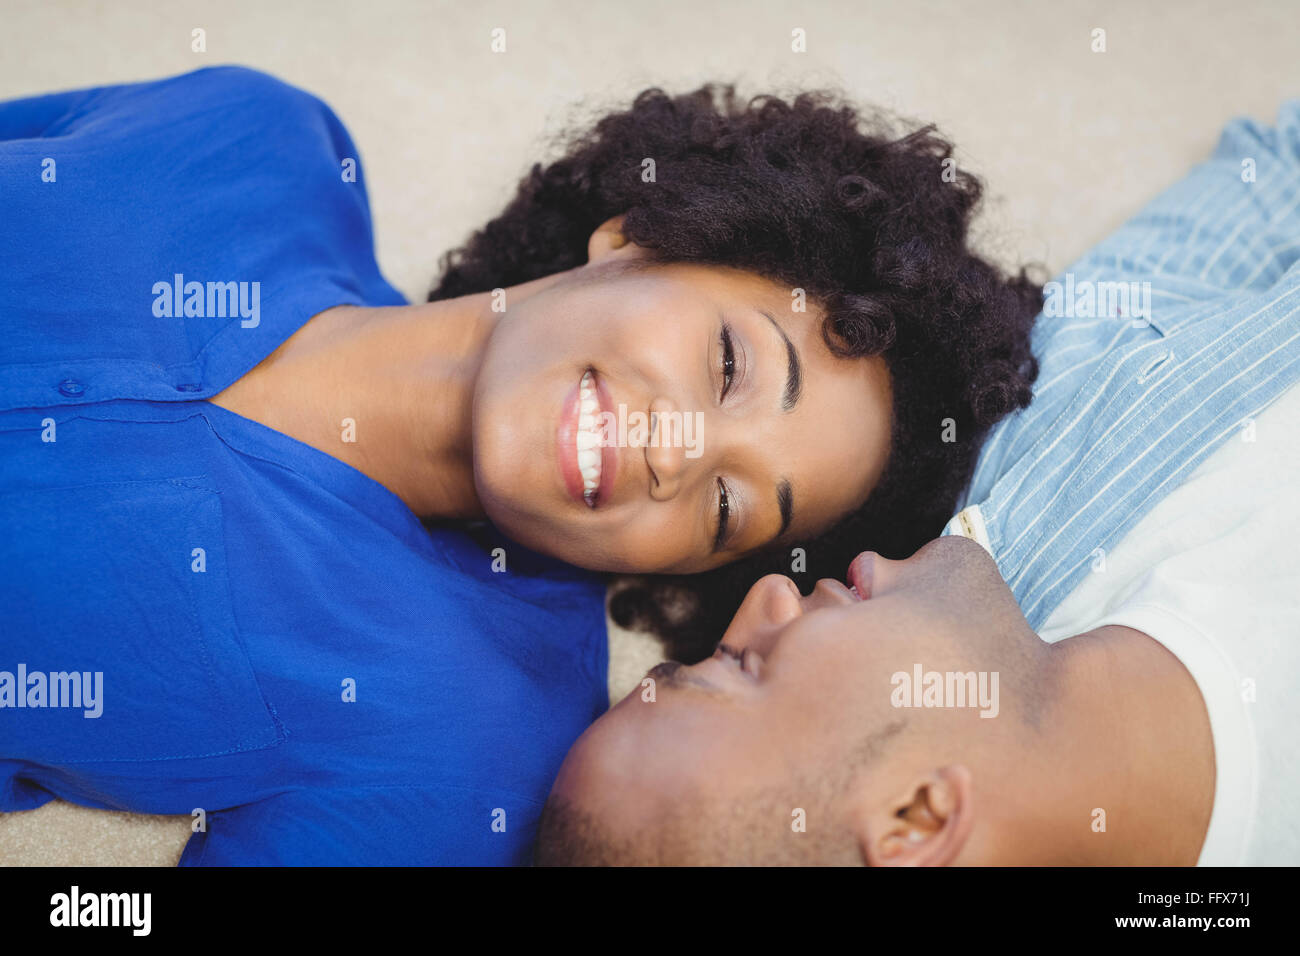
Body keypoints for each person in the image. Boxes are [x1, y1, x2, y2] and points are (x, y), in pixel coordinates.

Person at [0, 66, 1036, 863]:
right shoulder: (257, 139)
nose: (680, 453)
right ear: (639, 231)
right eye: (728, 364)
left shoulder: (468, 740)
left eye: (729, 505)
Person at [536, 99, 1300, 866]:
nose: (764, 598)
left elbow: (1275, 174)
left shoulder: (1030, 453)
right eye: (741, 664)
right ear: (917, 817)